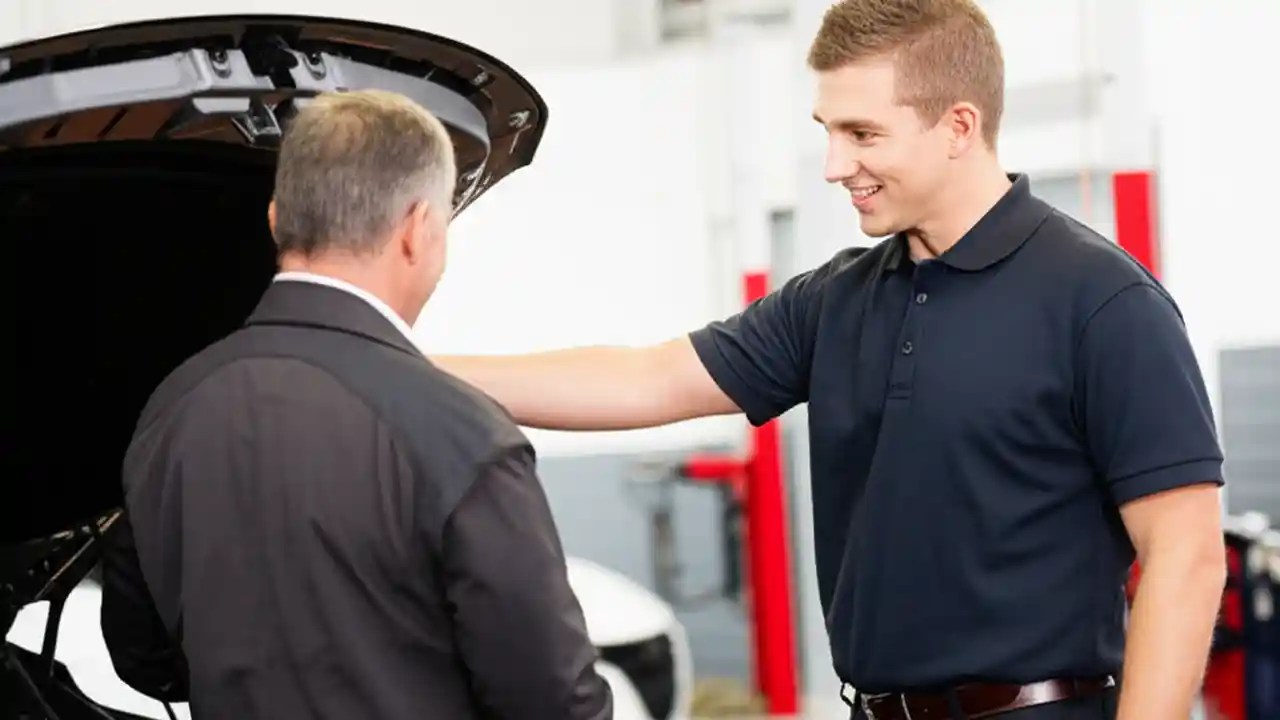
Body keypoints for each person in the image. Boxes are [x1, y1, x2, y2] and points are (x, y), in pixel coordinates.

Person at [432, 1, 1227, 719]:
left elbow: (1185, 559)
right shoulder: (836, 300)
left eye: (863, 134)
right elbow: (647, 378)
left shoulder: (1101, 302)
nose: (834, 164)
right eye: (828, 130)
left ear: (958, 126)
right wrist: (399, 363)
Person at [97, 89, 613, 720]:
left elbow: (140, 653)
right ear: (419, 230)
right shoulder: (462, 434)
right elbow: (553, 702)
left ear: (275, 218)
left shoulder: (168, 412)